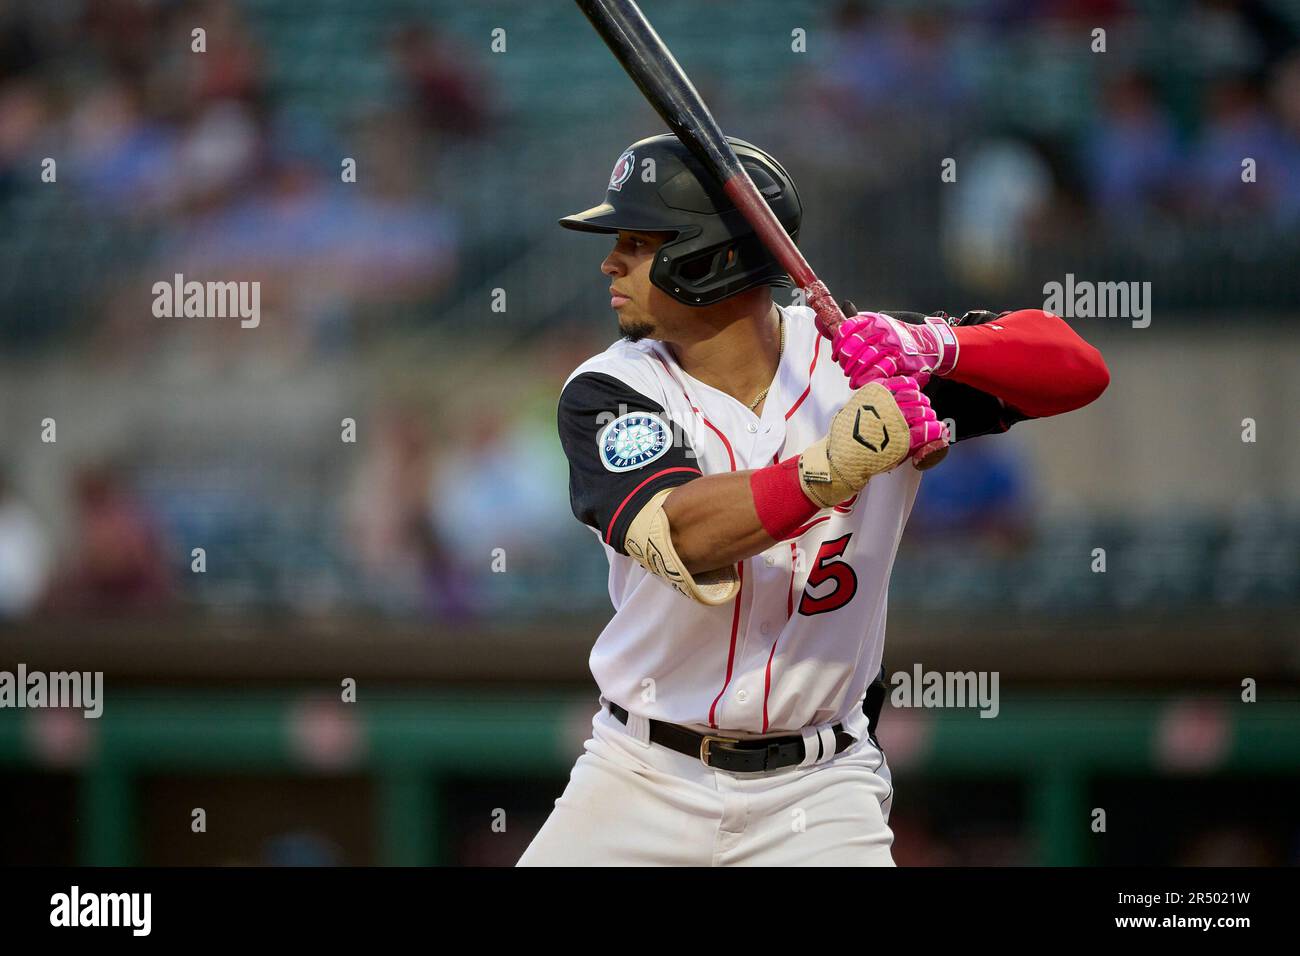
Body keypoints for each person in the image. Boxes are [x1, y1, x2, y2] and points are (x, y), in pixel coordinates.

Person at [518, 134, 1108, 866]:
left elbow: (1079, 371)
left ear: (710, 256)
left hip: (818, 792)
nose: (610, 261)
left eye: (638, 242)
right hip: (642, 775)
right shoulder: (611, 390)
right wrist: (825, 470)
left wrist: (933, 348)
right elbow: (684, 532)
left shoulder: (865, 363)